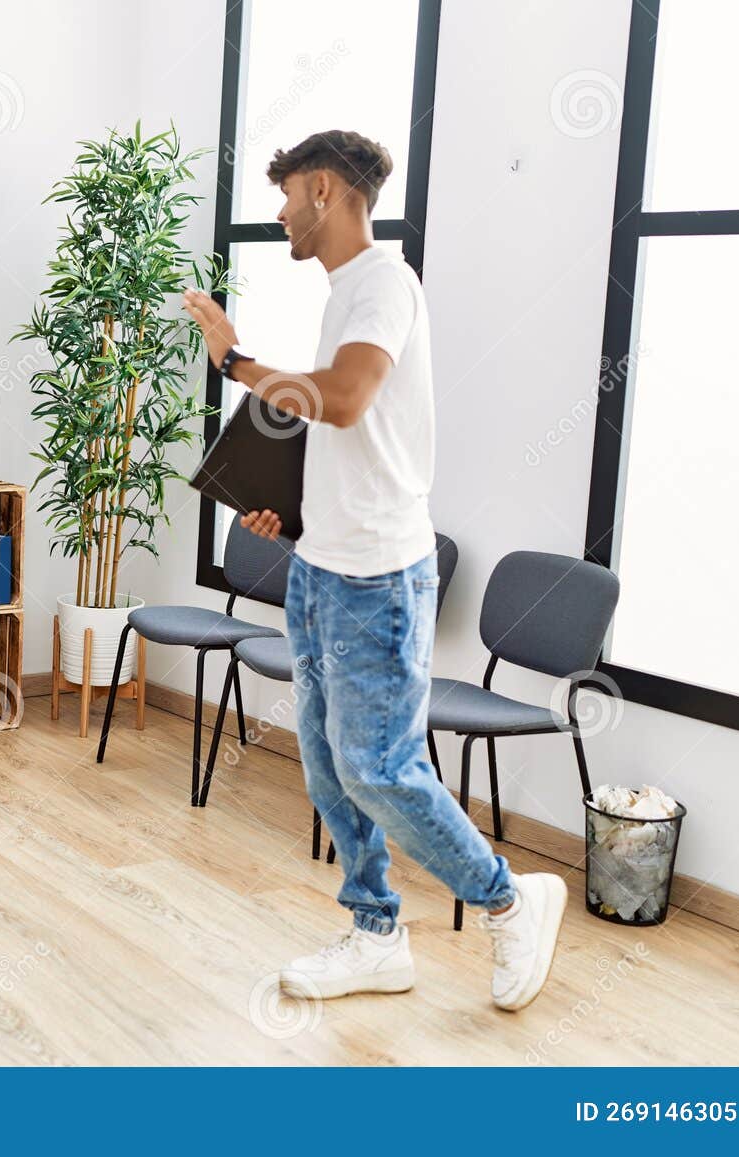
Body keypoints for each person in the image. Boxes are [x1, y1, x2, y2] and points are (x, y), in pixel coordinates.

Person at [182, 131, 566, 1012]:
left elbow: (346, 401)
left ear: (323, 189)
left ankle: (511, 901)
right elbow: (353, 434)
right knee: (328, 769)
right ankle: (376, 934)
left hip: (378, 583)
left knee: (380, 769)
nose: (279, 213)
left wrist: (235, 360)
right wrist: (300, 516)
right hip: (323, 569)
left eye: (285, 195)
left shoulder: (385, 283)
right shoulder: (346, 293)